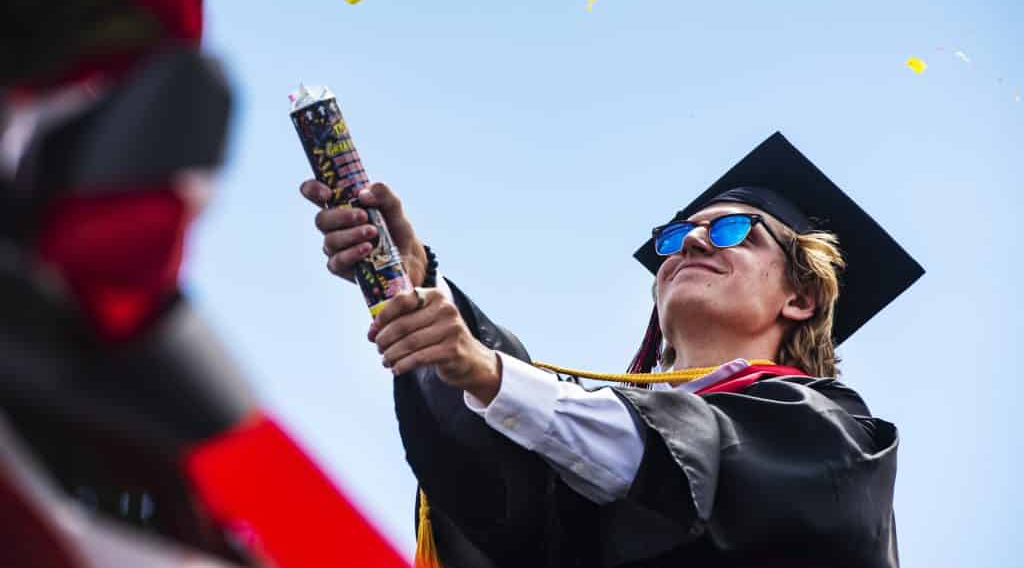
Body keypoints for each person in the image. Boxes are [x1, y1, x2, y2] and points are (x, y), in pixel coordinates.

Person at [301, 132, 924, 568]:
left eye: (736, 229)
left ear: (802, 298)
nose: (695, 241)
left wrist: (485, 371)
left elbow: (678, 458)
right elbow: (508, 481)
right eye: (679, 234)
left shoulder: (832, 440)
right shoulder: (591, 430)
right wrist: (414, 279)